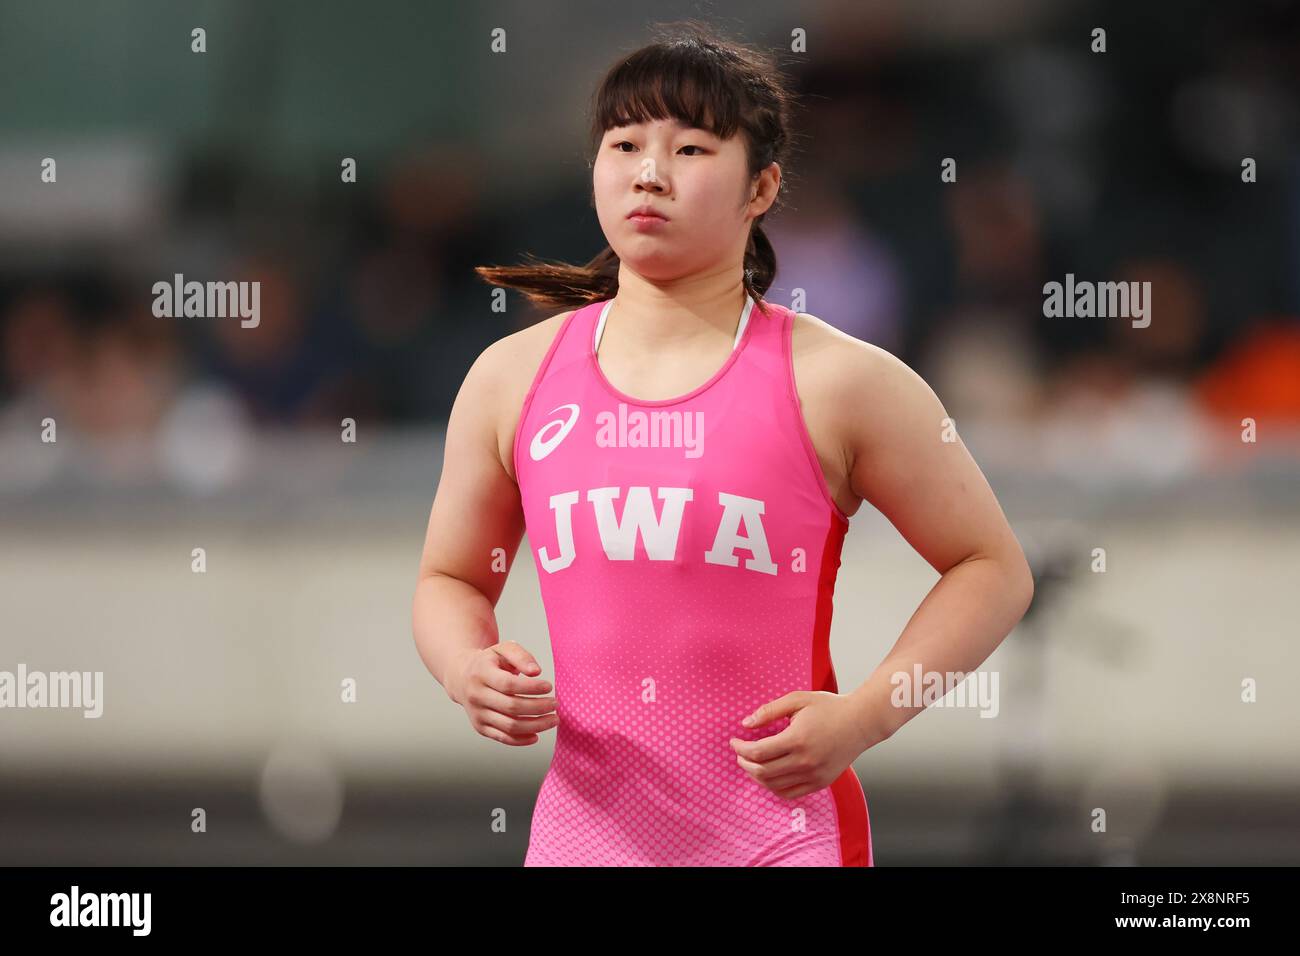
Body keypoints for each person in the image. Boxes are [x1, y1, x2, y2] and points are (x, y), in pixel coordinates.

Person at [411, 22, 1034, 866]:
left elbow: (991, 568)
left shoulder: (840, 381)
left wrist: (862, 718)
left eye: (692, 149)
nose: (649, 173)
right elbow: (449, 578)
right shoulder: (511, 378)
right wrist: (466, 669)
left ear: (762, 187)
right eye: (624, 142)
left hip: (779, 838)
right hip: (584, 840)